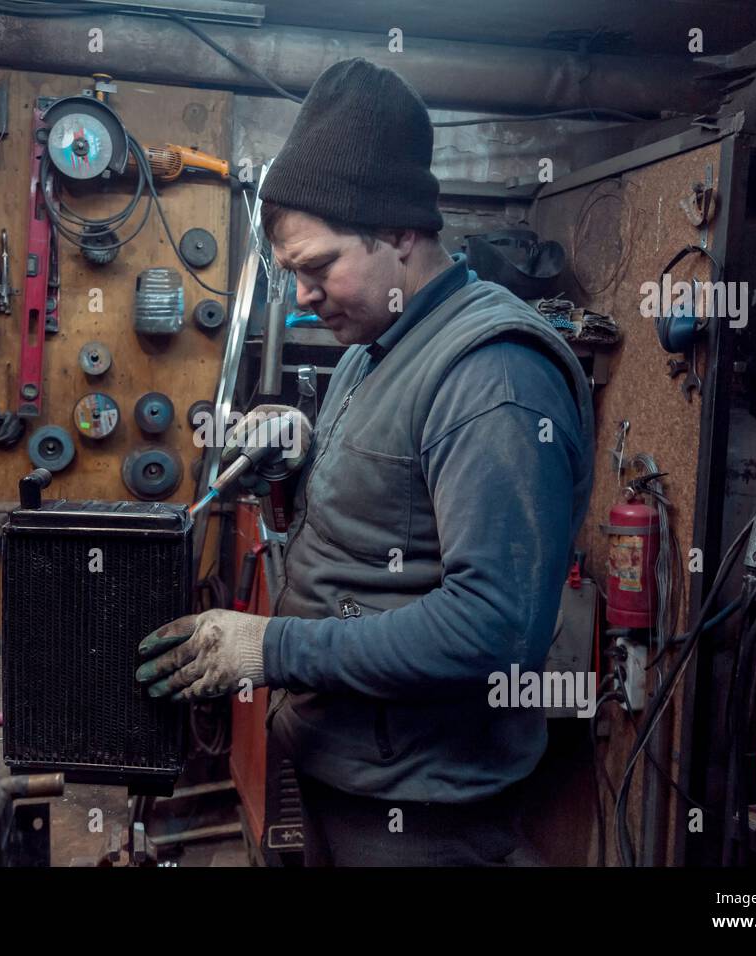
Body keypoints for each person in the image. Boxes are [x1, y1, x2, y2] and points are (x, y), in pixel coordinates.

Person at [136, 57, 595, 866]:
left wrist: (269, 648)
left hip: (422, 811)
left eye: (318, 267)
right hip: (343, 773)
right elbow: (385, 516)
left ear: (403, 232)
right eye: (293, 275)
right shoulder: (373, 347)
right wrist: (295, 462)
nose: (304, 297)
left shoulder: (494, 376)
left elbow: (496, 631)